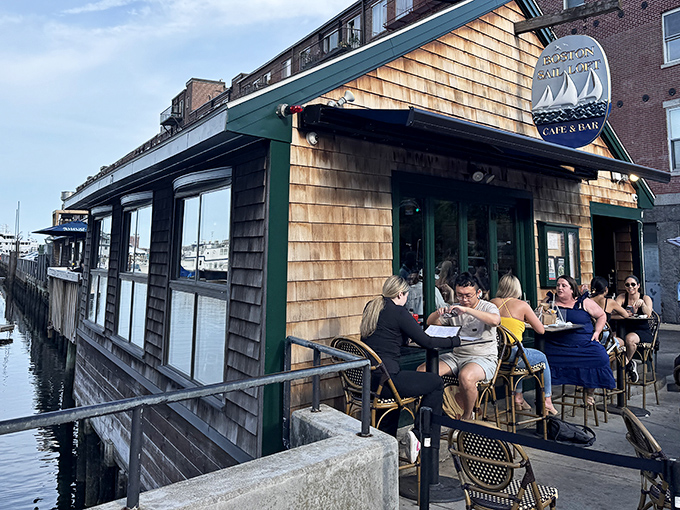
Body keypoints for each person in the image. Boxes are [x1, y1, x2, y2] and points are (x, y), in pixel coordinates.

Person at [360, 275, 460, 462]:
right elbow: (427, 341)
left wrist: (403, 338)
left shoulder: (372, 307)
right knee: (435, 383)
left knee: (400, 390)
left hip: (369, 380)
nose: (406, 299)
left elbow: (384, 335)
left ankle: (386, 447)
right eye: (406, 295)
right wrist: (455, 341)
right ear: (400, 294)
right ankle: (420, 435)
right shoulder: (398, 312)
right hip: (388, 381)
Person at [419, 272, 501, 420]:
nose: (463, 299)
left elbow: (495, 321)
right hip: (457, 355)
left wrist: (468, 310)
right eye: (459, 295)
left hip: (483, 356)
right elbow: (431, 323)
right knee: (423, 371)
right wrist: (439, 313)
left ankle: (467, 417)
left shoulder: (488, 307)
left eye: (468, 295)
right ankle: (429, 414)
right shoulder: (455, 308)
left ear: (478, 293)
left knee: (466, 376)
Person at [539, 275, 615, 405]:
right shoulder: (550, 301)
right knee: (542, 360)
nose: (559, 288)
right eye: (558, 285)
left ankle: (589, 391)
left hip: (582, 343)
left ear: (572, 289)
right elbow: (538, 315)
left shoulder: (583, 302)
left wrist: (597, 332)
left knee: (600, 357)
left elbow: (602, 315)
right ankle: (546, 398)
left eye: (563, 285)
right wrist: (541, 311)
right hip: (556, 344)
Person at [490, 274, 558, 415]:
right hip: (514, 356)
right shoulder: (522, 305)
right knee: (541, 358)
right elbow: (540, 330)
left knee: (518, 355)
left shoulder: (492, 303)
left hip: (496, 355)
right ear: (517, 289)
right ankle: (547, 400)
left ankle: (518, 398)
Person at [614, 275, 654, 383]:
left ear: (638, 286)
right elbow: (613, 311)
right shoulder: (622, 297)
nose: (630, 287)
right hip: (624, 329)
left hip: (641, 330)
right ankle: (628, 365)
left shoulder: (645, 298)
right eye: (627, 284)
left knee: (630, 339)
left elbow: (648, 314)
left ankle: (626, 363)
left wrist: (643, 304)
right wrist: (624, 314)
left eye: (633, 284)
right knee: (613, 342)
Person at [588, 276, 629, 352]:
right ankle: (622, 363)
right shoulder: (609, 302)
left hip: (590, 336)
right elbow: (625, 315)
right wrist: (609, 316)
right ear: (606, 289)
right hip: (603, 338)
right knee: (622, 341)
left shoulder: (587, 301)